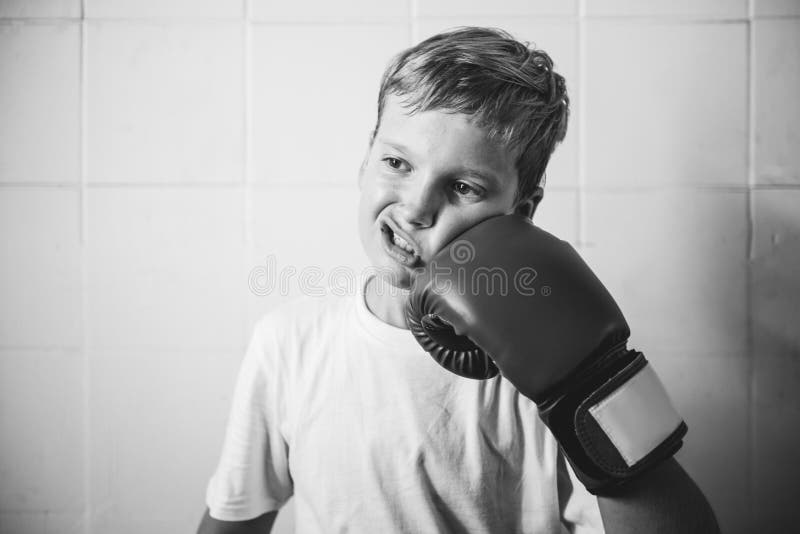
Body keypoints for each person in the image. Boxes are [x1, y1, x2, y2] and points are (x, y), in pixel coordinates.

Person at [197, 27, 719, 533]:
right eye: (397, 162)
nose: (417, 206)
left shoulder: (542, 374)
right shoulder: (289, 344)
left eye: (464, 186)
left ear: (521, 211)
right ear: (365, 160)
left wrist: (591, 383)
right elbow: (234, 520)